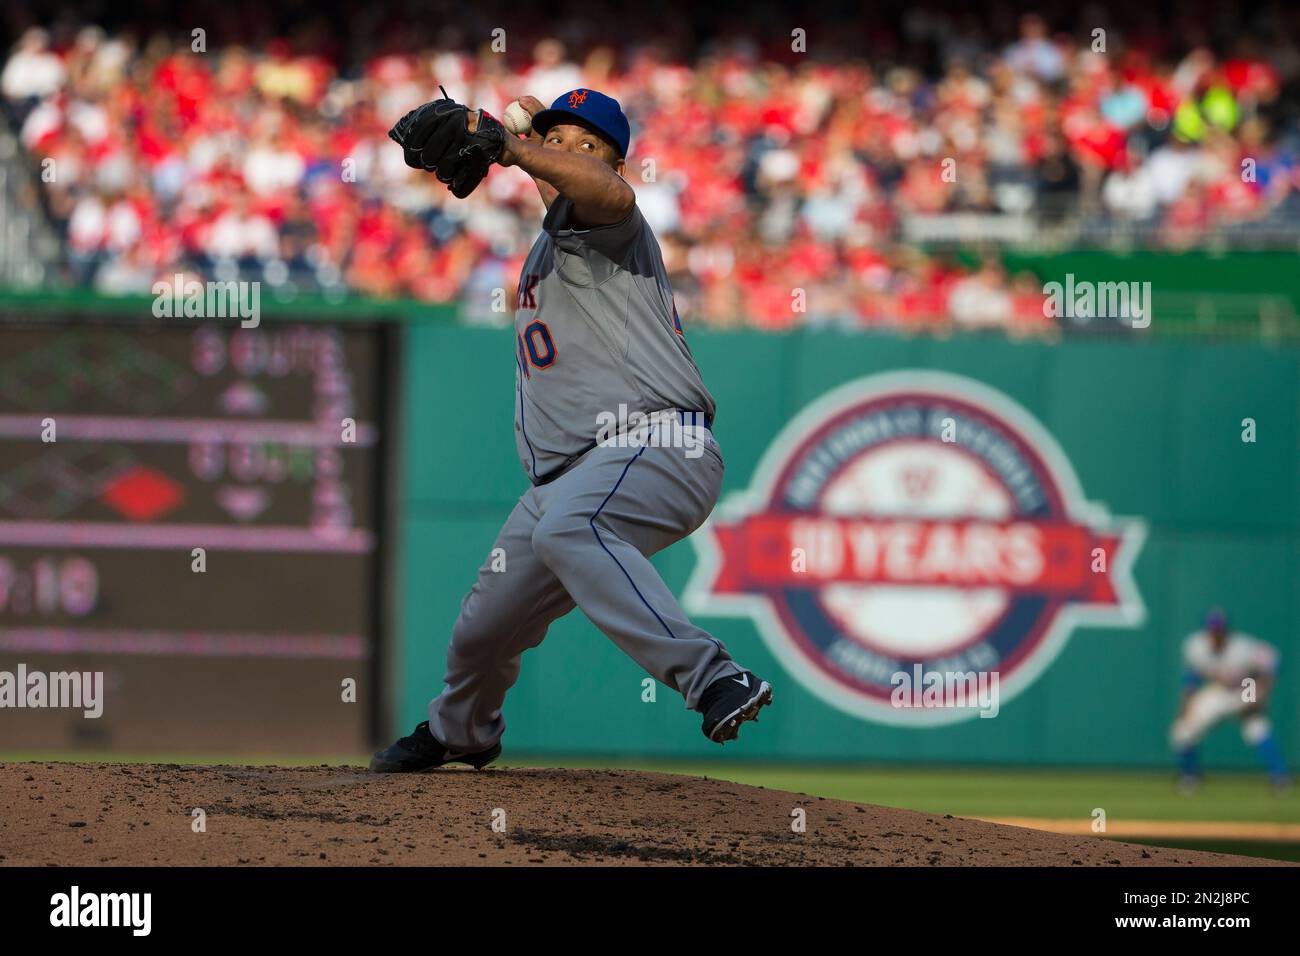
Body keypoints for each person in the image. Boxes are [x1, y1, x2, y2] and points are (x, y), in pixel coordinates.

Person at [370, 89, 773, 772]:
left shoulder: (615, 222)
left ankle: (712, 677)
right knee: (482, 631)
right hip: (567, 479)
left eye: (593, 148)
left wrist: (512, 145)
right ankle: (461, 729)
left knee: (570, 530)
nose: (573, 157)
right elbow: (557, 177)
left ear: (616, 163)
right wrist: (516, 148)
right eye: (563, 140)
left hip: (655, 442)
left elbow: (598, 191)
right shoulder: (556, 237)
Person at [1171, 608, 1289, 792]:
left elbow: (1272, 662)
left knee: (1257, 728)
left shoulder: (1243, 647)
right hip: (1218, 691)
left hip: (1246, 687)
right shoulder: (1196, 646)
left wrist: (1260, 694)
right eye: (1212, 629)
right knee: (1183, 730)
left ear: (1226, 630)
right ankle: (1190, 776)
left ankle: (1279, 777)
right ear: (1207, 630)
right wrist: (1186, 706)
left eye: (1219, 629)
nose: (1216, 633)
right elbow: (1191, 679)